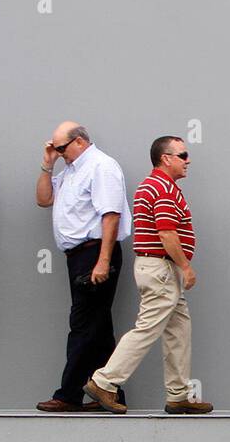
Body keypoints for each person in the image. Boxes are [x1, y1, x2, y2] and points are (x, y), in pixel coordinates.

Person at [82, 136, 213, 415]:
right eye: (183, 155)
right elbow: (166, 232)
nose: (188, 160)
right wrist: (185, 267)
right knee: (148, 327)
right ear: (166, 158)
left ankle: (178, 394)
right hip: (162, 269)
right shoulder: (161, 187)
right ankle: (104, 381)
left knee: (179, 330)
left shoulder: (158, 186)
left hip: (162, 269)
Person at [34, 121, 130, 413]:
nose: (59, 152)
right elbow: (43, 200)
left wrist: (102, 261)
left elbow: (110, 215)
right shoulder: (70, 171)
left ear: (79, 141)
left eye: (61, 148)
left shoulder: (101, 166)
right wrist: (47, 165)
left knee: (82, 325)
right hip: (78, 257)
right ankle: (110, 394)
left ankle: (68, 394)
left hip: (95, 253)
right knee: (98, 329)